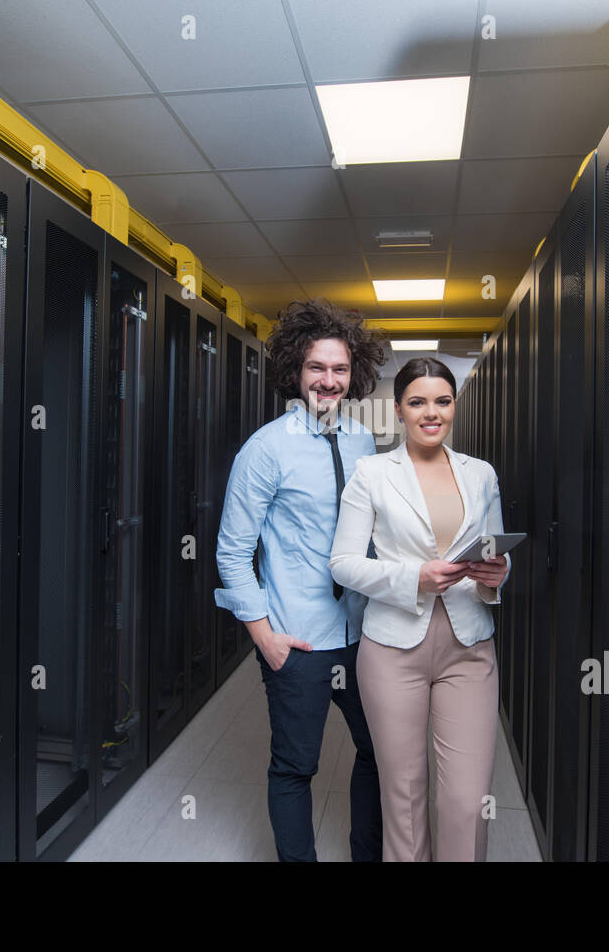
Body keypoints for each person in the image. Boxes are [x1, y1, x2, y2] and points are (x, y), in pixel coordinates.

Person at [213, 298, 387, 862]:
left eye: (339, 369)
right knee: (295, 766)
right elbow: (232, 552)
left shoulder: (364, 444)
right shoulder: (265, 450)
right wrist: (265, 637)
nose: (328, 381)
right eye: (317, 368)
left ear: (353, 374)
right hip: (299, 640)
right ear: (295, 371)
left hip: (362, 637)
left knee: (377, 753)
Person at [328, 357, 510, 861]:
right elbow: (342, 563)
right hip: (392, 651)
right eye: (418, 402)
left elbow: (496, 548)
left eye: (443, 401)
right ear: (399, 409)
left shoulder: (481, 474)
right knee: (404, 798)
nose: (432, 413)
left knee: (467, 802)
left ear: (454, 406)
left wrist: (497, 575)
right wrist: (414, 577)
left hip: (469, 648)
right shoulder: (372, 473)